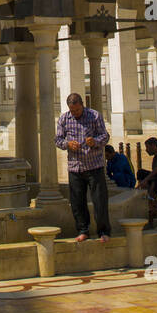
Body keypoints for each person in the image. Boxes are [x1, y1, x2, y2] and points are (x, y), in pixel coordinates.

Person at [54, 93, 111, 243]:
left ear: (82, 105)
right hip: (75, 167)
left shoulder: (94, 116)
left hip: (94, 165)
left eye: (77, 110)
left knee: (99, 201)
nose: (75, 113)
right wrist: (67, 144)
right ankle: (83, 230)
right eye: (73, 111)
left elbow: (105, 136)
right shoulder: (64, 119)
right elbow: (58, 140)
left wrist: (95, 141)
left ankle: (103, 231)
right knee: (77, 202)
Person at [137, 137, 157, 222]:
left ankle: (152, 199)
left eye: (147, 147)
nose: (146, 150)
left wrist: (145, 180)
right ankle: (146, 195)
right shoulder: (155, 157)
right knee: (140, 172)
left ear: (154, 146)